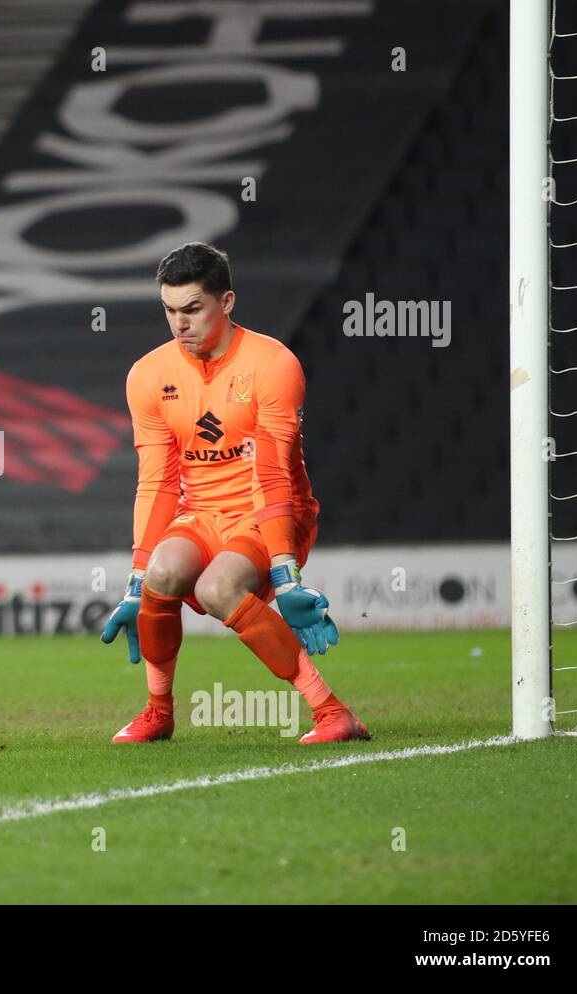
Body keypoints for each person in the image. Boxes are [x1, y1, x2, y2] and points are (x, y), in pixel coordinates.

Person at [101, 242, 369, 746]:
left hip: (266, 510)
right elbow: (156, 481)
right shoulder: (149, 376)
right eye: (170, 311)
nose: (180, 325)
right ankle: (158, 712)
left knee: (215, 588)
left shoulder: (272, 365)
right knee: (162, 573)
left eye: (193, 310)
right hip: (200, 513)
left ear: (226, 302)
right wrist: (137, 581)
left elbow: (273, 475)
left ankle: (333, 712)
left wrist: (285, 577)